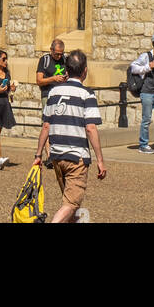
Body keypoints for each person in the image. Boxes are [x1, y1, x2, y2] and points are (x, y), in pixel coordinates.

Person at [34, 47, 106, 222]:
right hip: (77, 158)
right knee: (71, 204)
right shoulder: (86, 94)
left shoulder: (53, 92)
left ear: (66, 70)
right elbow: (91, 128)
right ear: (85, 71)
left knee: (71, 204)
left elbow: (45, 126)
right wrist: (100, 160)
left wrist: (38, 155)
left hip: (57, 156)